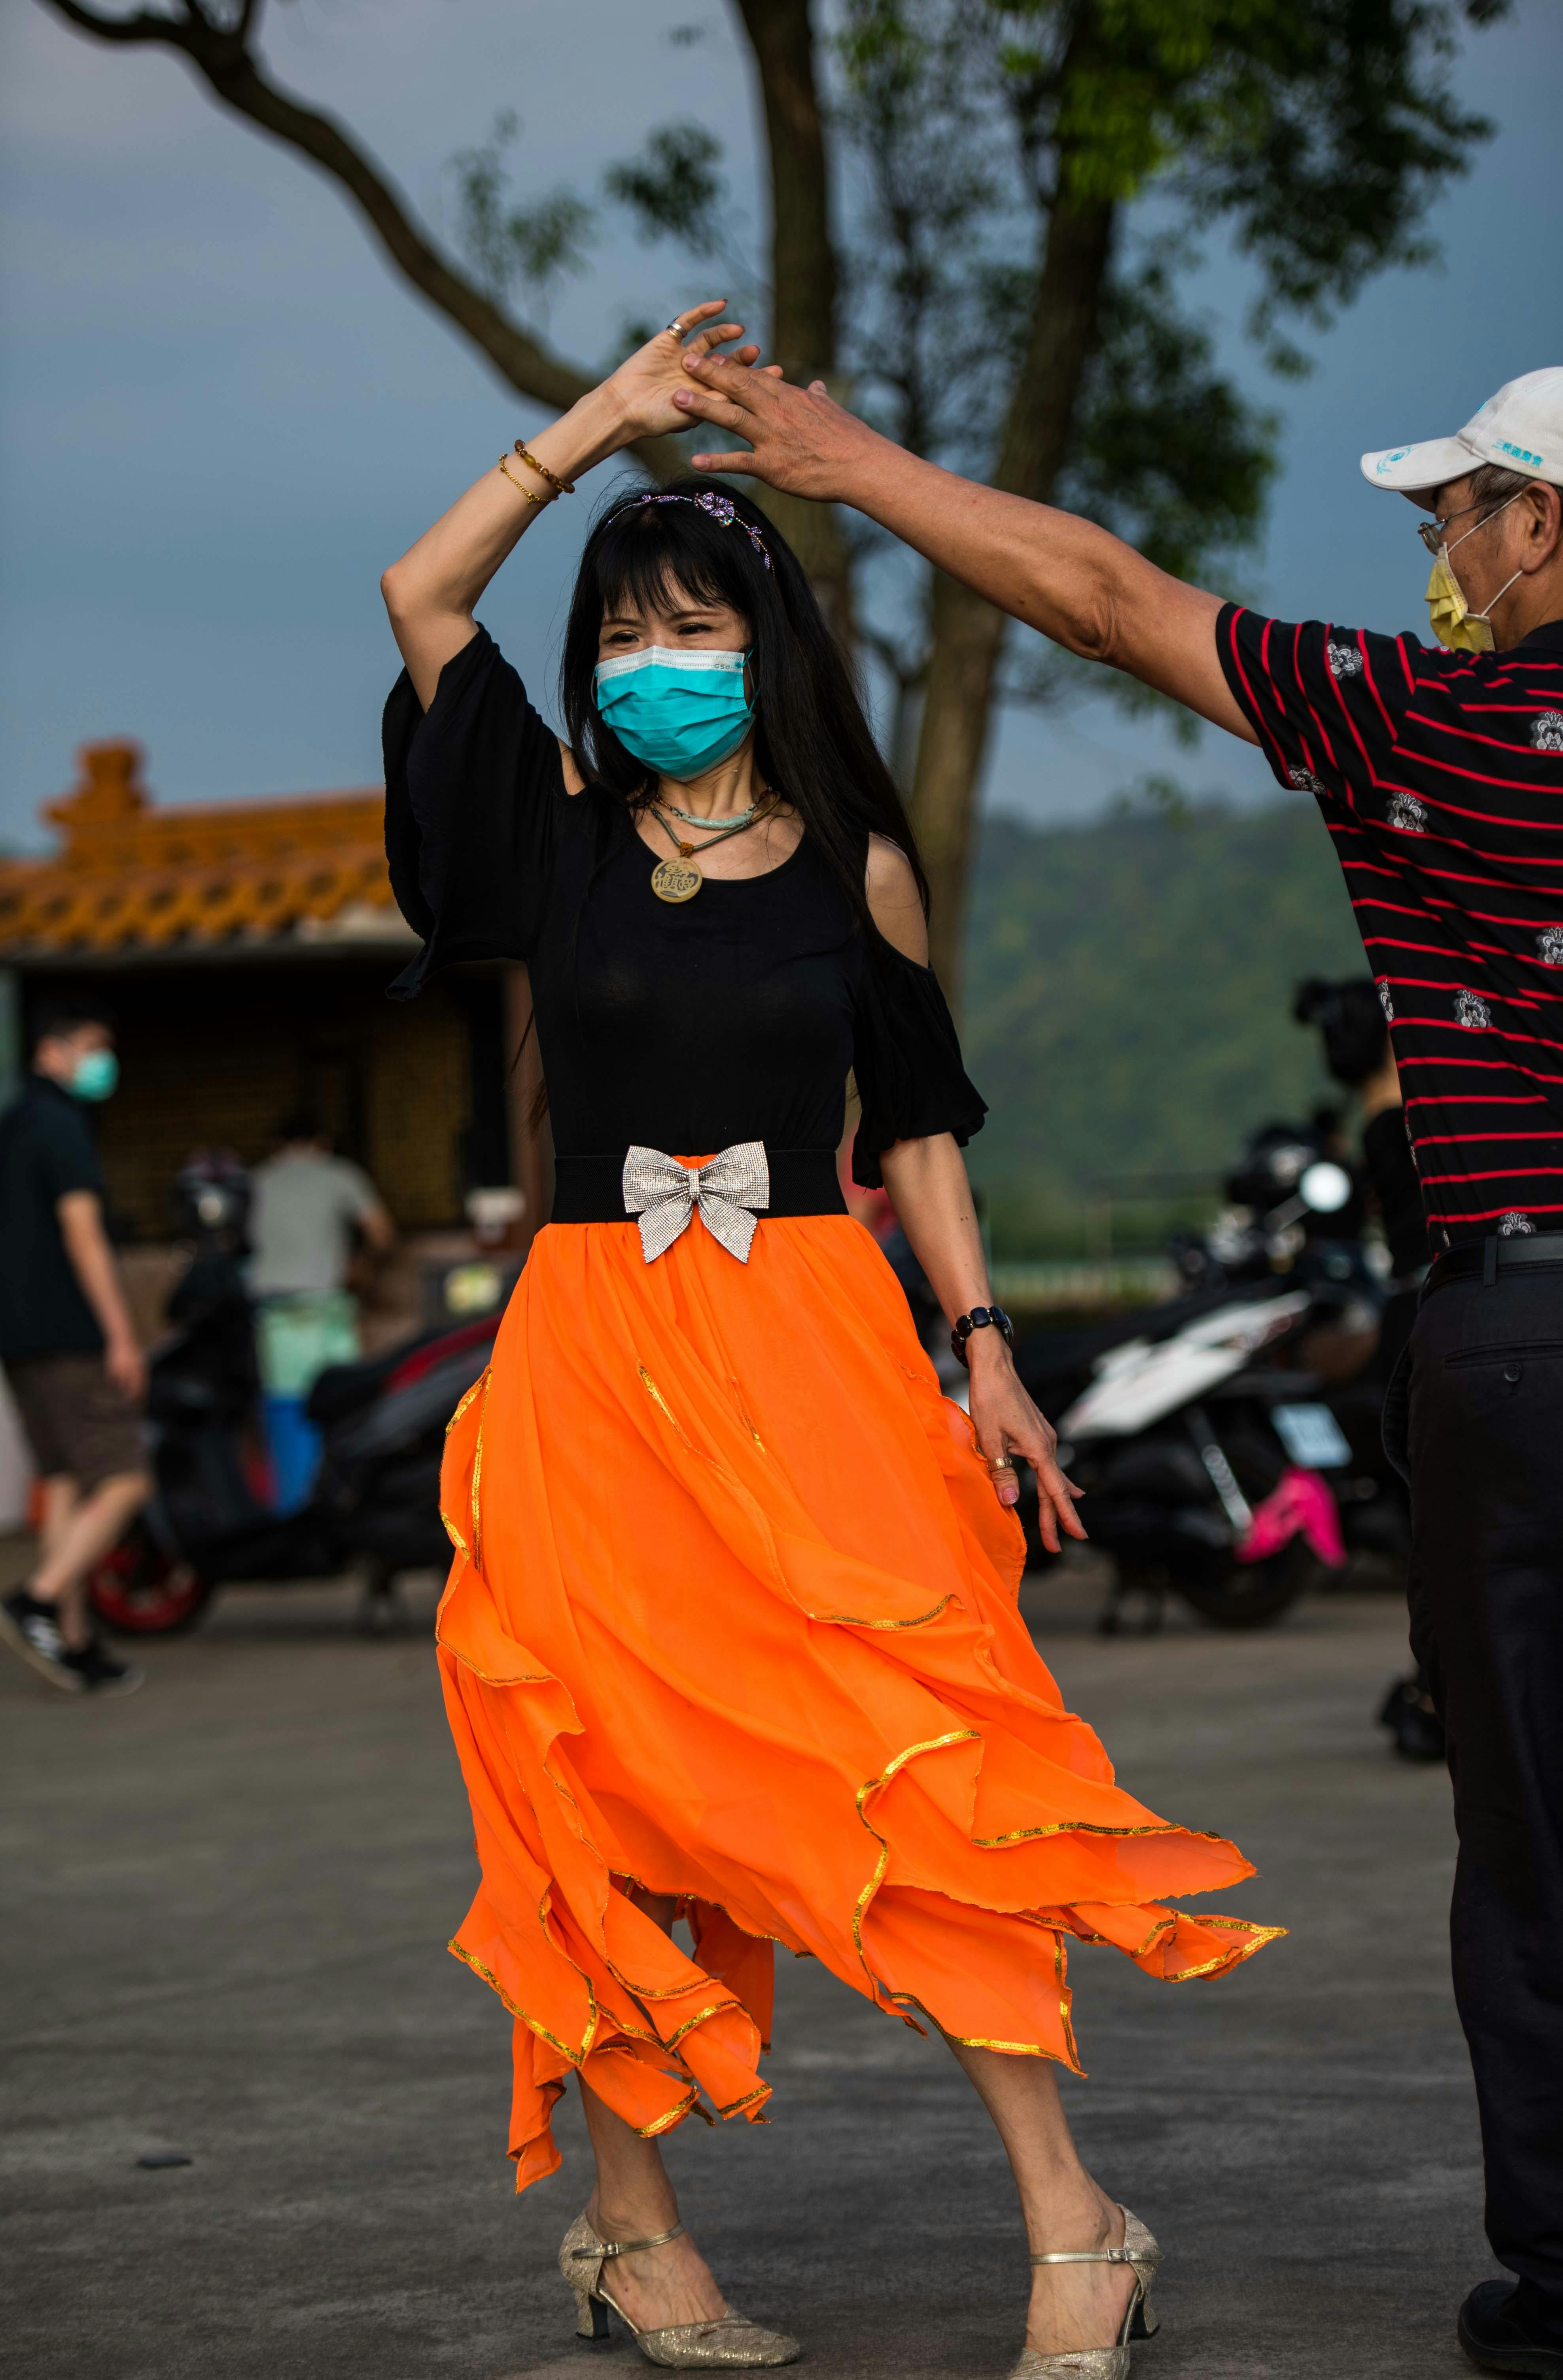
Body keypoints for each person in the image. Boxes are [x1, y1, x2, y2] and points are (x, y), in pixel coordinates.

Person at [380, 302, 1278, 2378]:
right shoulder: (550, 837)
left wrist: (984, 1344)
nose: (646, 670)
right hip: (595, 1363)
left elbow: (929, 1126)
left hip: (816, 1345)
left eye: (690, 628)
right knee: (595, 1788)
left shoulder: (859, 876)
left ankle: (1079, 2223)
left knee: (924, 1761)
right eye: (622, 640)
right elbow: (425, 591)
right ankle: (628, 2229)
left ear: (763, 646)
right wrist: (612, 419)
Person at [672, 351, 1563, 2375]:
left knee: (1536, 1831)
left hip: (1530, 1337)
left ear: (1534, 523)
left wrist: (845, 463)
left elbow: (1097, 597)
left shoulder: (1422, 717)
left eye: (1450, 511)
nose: (1432, 548)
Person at [1292, 976, 1442, 1764]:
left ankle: (1439, 1684)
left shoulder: (1372, 1121)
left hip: (1401, 1313)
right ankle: (1443, 1689)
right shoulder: (1410, 1120)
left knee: (1435, 1519)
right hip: (1430, 1309)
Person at [0, 1000, 149, 1696]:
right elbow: (83, 1233)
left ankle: (72, 1637)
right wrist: (121, 1334)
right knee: (125, 1478)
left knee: (65, 1480)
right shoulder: (62, 1126)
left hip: (21, 1337)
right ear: (53, 1051)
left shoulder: (14, 1124)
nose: (102, 1062)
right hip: (70, 1337)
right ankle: (37, 1597)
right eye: (93, 1046)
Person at [247, 1113, 395, 1512]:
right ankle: (349, 1506)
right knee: (344, 1408)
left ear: (276, 1146)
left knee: (288, 1411)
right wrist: (360, 1269)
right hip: (329, 1309)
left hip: (276, 1316)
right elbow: (381, 1232)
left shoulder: (257, 1181)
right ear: (323, 1143)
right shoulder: (340, 1174)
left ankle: (296, 1509)